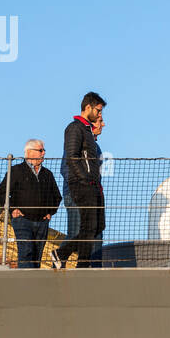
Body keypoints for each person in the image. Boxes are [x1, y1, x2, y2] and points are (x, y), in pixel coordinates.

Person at [52, 92, 106, 269]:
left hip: (93, 186)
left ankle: (82, 263)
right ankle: (62, 254)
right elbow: (72, 157)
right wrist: (84, 180)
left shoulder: (88, 132)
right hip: (82, 186)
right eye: (98, 111)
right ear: (88, 107)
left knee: (95, 227)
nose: (100, 115)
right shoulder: (74, 128)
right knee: (87, 228)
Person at [0, 139, 62, 269]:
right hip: (22, 220)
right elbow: (1, 193)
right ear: (29, 152)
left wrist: (50, 211)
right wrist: (12, 209)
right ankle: (25, 285)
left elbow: (57, 197)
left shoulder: (47, 174)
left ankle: (34, 285)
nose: (43, 153)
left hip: (42, 221)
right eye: (40, 150)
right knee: (26, 251)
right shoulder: (16, 171)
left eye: (43, 150)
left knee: (37, 255)